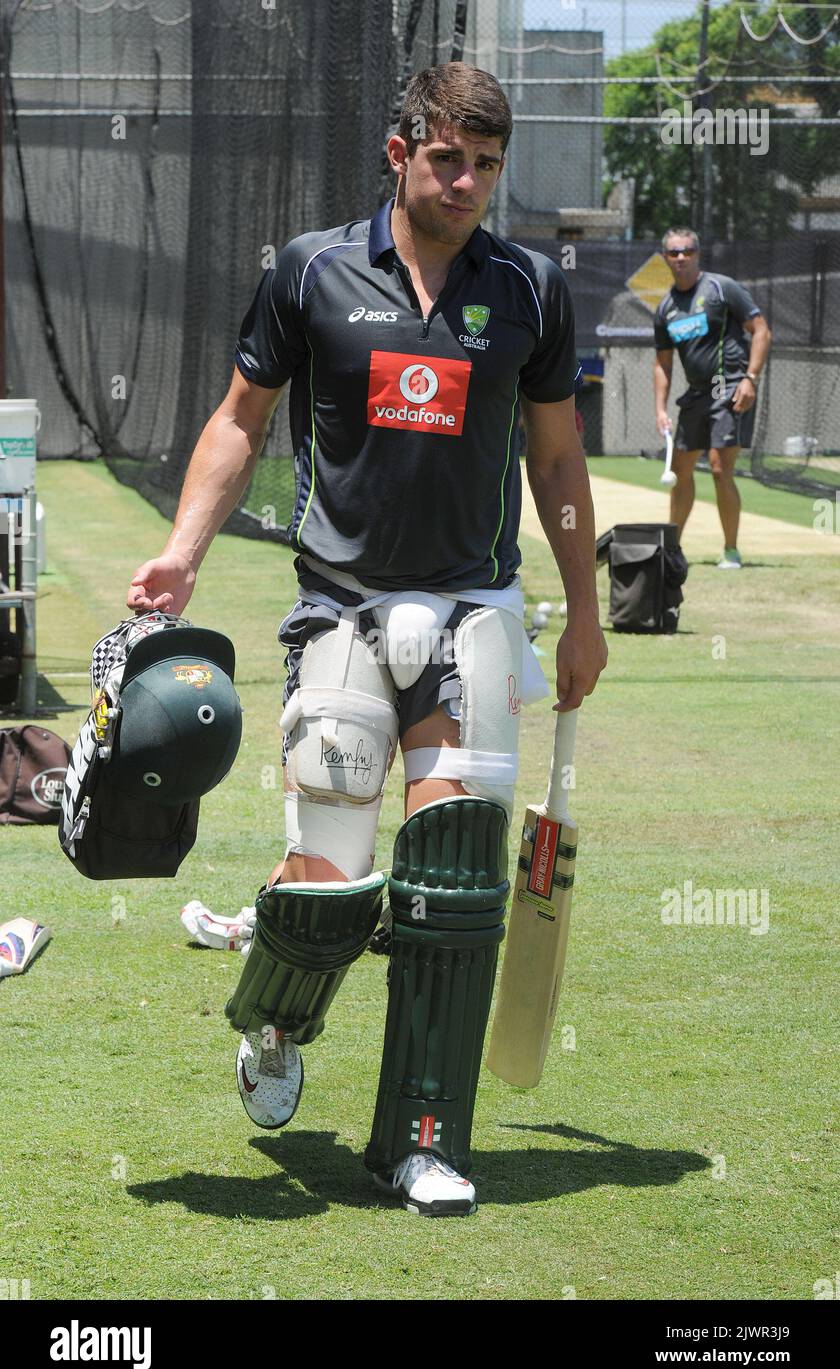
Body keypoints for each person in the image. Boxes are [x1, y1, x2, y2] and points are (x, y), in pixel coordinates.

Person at [125, 62, 607, 1217]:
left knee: (451, 886)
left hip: (475, 613)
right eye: (449, 159)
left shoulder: (531, 288)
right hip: (338, 607)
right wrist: (184, 551)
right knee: (332, 880)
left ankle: (422, 1139)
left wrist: (586, 610)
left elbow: (555, 460)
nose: (468, 183)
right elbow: (242, 421)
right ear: (401, 151)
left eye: (488, 165)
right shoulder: (309, 269)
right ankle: (277, 1025)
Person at [653, 227, 772, 569]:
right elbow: (662, 364)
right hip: (695, 395)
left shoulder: (722, 288)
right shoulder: (665, 308)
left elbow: (761, 330)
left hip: (730, 386)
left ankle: (731, 550)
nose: (680, 258)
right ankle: (671, 550)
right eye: (674, 252)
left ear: (697, 254)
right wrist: (660, 408)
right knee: (679, 470)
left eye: (687, 251)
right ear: (666, 258)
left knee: (720, 468)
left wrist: (750, 379)